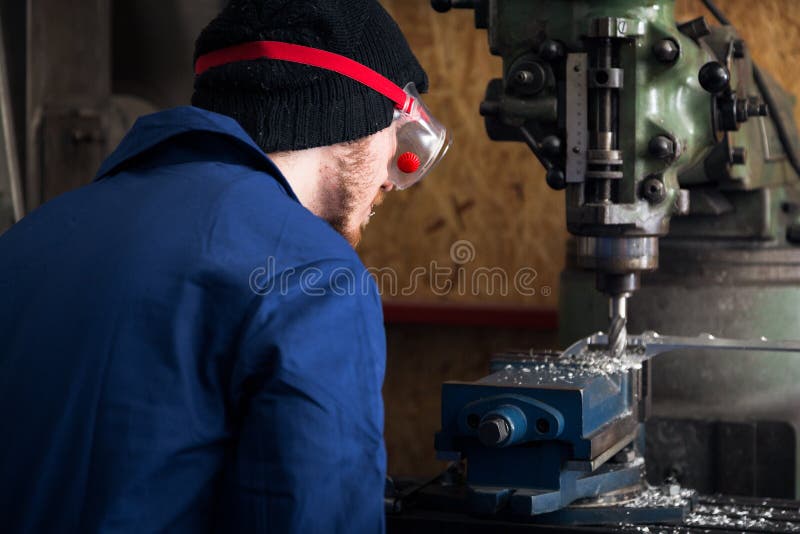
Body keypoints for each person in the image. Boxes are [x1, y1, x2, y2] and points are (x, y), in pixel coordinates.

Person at [0, 0, 450, 532]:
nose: (389, 184)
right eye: (399, 134)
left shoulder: (27, 241)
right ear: (354, 115)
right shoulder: (315, 275)